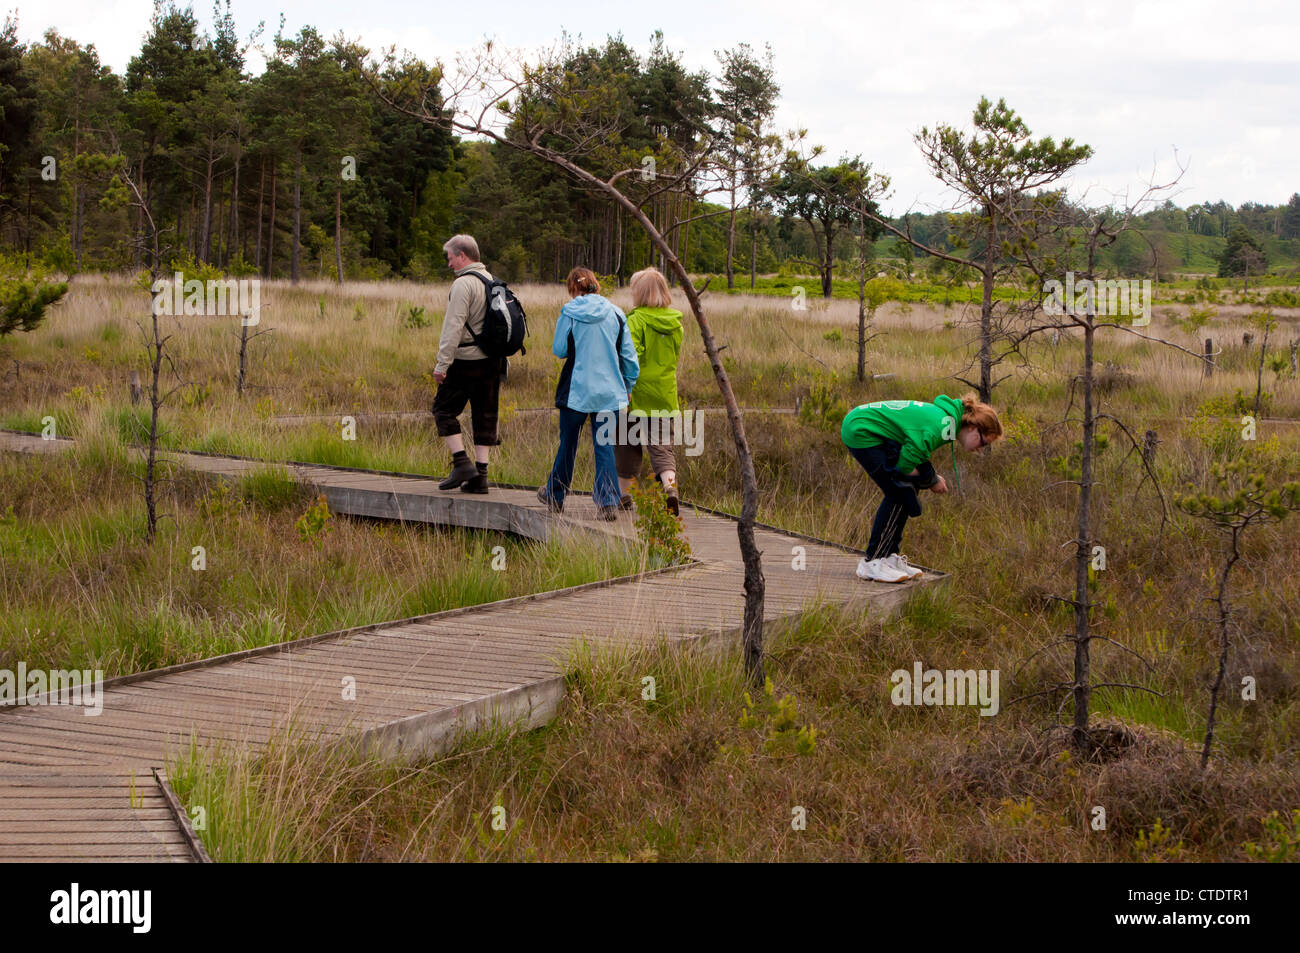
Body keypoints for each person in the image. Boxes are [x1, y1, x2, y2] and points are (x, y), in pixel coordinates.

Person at [841, 393, 1002, 583]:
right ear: (974, 428)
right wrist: (931, 479)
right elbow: (905, 465)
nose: (980, 449)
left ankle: (889, 557)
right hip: (861, 430)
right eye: (983, 443)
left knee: (906, 488)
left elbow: (915, 452)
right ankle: (872, 562)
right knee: (898, 492)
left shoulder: (947, 423)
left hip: (872, 428)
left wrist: (929, 476)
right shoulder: (941, 425)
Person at [537, 267, 640, 520]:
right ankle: (607, 503)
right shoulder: (616, 313)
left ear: (573, 287)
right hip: (609, 392)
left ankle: (555, 494)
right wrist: (627, 387)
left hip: (576, 391)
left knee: (568, 444)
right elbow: (629, 357)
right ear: (595, 284)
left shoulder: (569, 312)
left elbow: (560, 349)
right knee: (604, 446)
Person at [432, 234, 503, 494]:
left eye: (450, 258)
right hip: (493, 362)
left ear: (462, 255)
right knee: (485, 416)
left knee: (443, 410)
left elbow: (453, 327)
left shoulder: (464, 284)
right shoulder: (492, 281)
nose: (449, 264)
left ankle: (461, 462)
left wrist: (442, 365)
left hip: (465, 361)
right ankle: (480, 477)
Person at [614, 268, 685, 516]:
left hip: (636, 394)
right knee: (662, 447)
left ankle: (625, 496)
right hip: (665, 394)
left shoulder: (635, 320)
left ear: (639, 293)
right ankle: (670, 487)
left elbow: (630, 357)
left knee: (626, 444)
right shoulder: (675, 322)